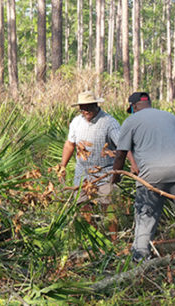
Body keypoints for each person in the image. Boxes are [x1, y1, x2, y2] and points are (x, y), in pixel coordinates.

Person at [111, 92, 175, 262]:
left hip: (150, 174)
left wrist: (115, 176)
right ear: (149, 103)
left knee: (145, 215)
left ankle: (141, 255)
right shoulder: (172, 118)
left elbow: (121, 153)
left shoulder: (131, 121)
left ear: (134, 107)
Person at [56, 91, 130, 242]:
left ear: (96, 105)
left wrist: (130, 166)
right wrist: (62, 166)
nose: (86, 111)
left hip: (105, 172)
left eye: (89, 107)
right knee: (82, 206)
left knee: (108, 207)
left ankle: (113, 241)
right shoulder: (76, 122)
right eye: (82, 108)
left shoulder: (109, 122)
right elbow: (70, 144)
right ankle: (96, 240)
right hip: (82, 173)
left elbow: (122, 146)